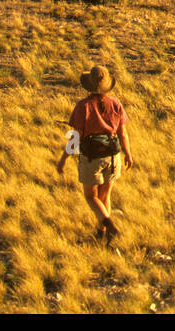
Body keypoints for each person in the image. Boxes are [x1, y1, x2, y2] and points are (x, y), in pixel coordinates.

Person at [56, 64, 133, 244]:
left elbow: (76, 137)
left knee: (91, 197)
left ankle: (108, 224)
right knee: (105, 196)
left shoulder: (83, 107)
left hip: (92, 157)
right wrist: (128, 154)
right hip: (113, 156)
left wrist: (63, 159)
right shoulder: (115, 103)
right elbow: (123, 133)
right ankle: (102, 233)